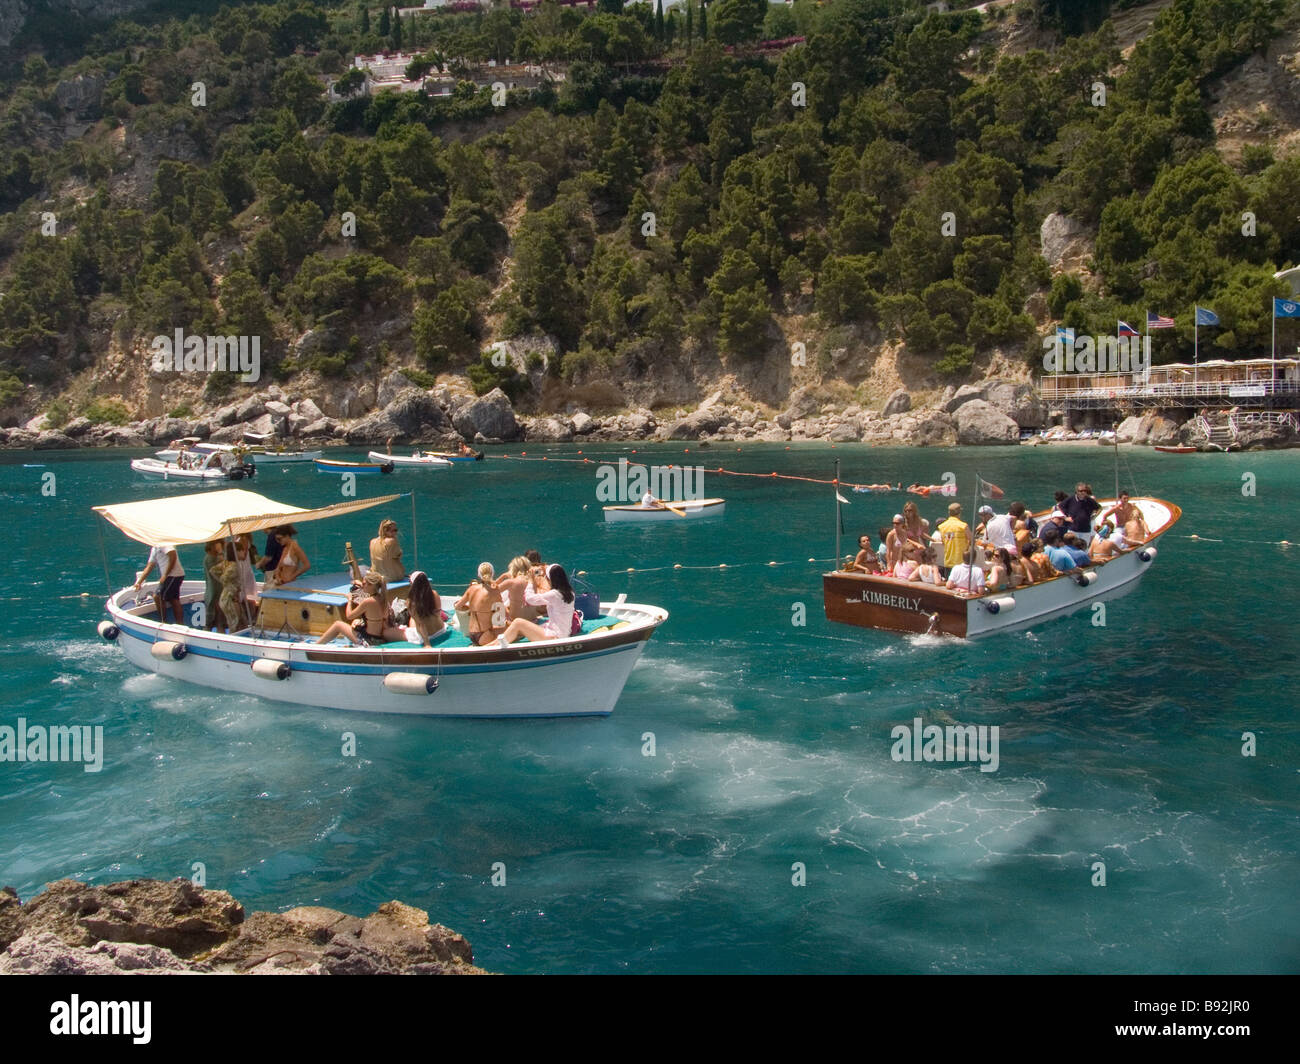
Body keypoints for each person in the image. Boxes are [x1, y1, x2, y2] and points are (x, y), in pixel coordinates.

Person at [316, 570, 405, 646]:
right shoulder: (382, 598)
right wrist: (358, 584)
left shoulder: (368, 602)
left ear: (371, 585)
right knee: (356, 623)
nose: (362, 586)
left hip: (369, 641)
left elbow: (349, 616)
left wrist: (350, 600)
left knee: (338, 625)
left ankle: (316, 646)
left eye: (364, 583)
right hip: (379, 638)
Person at [499, 564, 577, 645]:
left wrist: (531, 582)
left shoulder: (554, 594)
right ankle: (496, 643)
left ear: (551, 579)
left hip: (555, 637)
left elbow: (530, 599)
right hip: (563, 633)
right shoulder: (570, 593)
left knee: (518, 622)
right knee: (521, 628)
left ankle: (496, 646)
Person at [135, 541, 186, 624]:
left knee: (157, 597)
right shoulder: (154, 548)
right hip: (175, 575)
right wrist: (139, 582)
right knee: (173, 599)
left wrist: (165, 575)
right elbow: (150, 566)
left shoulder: (164, 543)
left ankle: (164, 622)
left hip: (173, 575)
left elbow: (173, 555)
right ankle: (179, 623)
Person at [456, 562, 507, 646]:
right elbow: (500, 619)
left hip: (472, 634)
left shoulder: (471, 588)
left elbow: (458, 606)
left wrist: (471, 608)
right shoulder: (494, 592)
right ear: (492, 573)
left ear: (479, 575)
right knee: (510, 630)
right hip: (485, 635)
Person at [404, 570, 445, 646]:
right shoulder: (434, 594)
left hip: (426, 636)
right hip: (441, 630)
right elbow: (438, 614)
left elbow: (421, 624)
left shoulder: (411, 602)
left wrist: (427, 643)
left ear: (412, 584)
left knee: (388, 633)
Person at [936, 502, 970, 581]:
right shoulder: (963, 526)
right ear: (959, 513)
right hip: (961, 562)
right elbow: (971, 540)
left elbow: (943, 542)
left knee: (949, 583)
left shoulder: (942, 526)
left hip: (948, 561)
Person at [202, 541, 227, 632]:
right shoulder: (210, 559)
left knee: (218, 620)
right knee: (217, 619)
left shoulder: (213, 558)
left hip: (216, 591)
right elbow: (221, 569)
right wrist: (220, 551)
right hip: (215, 592)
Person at [234, 533, 258, 615]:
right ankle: (250, 617)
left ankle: (251, 617)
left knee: (248, 596)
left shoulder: (243, 539)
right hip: (245, 570)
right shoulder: (239, 538)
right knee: (248, 595)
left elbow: (243, 556)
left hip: (243, 569)